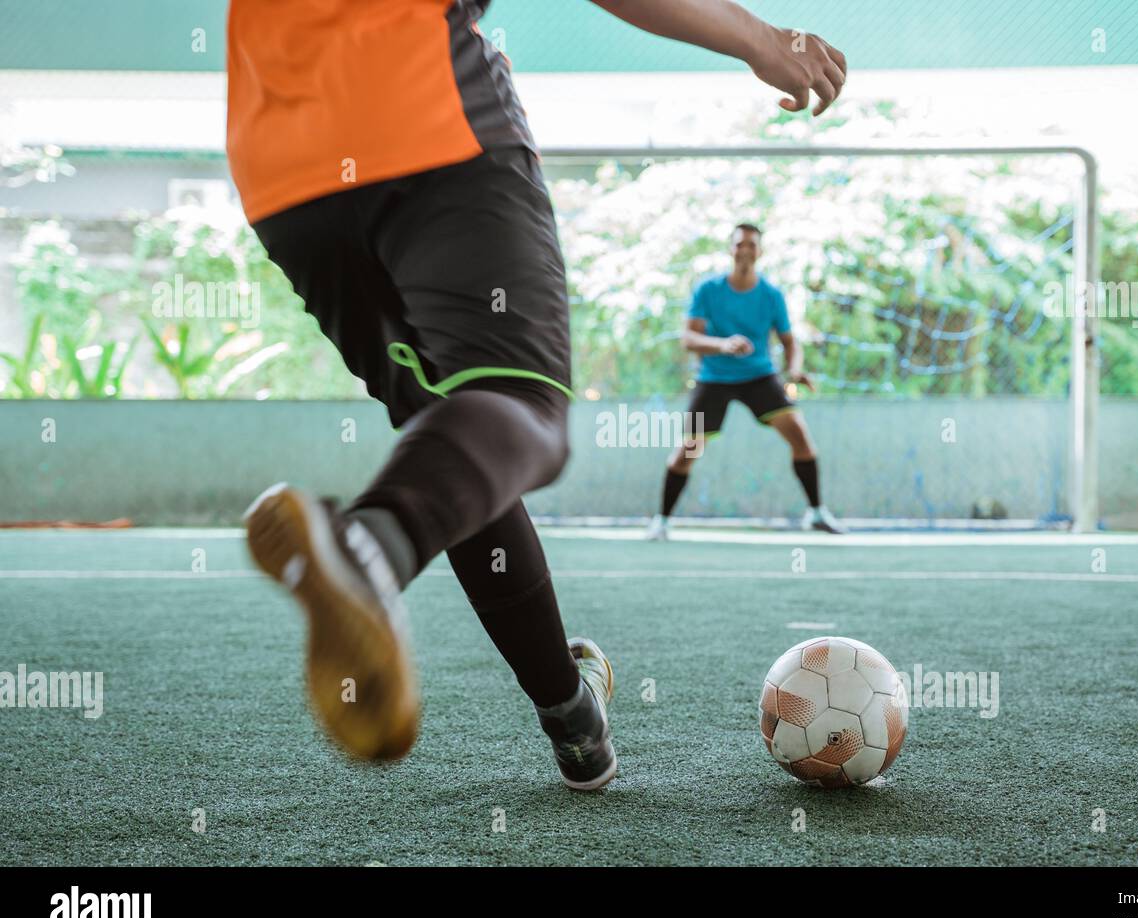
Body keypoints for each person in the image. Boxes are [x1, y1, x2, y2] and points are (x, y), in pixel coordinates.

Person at [225, 0, 846, 789]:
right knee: (526, 411)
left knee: (454, 446)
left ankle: (573, 718)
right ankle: (368, 548)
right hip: (423, 111)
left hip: (281, 162)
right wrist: (762, 40)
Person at [647, 224, 846, 540]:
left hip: (759, 376)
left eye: (752, 244)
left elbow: (790, 342)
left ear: (760, 251)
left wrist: (795, 370)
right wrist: (722, 344)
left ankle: (816, 513)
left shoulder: (771, 295)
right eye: (740, 244)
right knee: (689, 448)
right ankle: (661, 521)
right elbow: (688, 338)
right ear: (731, 249)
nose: (745, 250)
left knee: (801, 439)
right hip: (714, 378)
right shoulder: (708, 290)